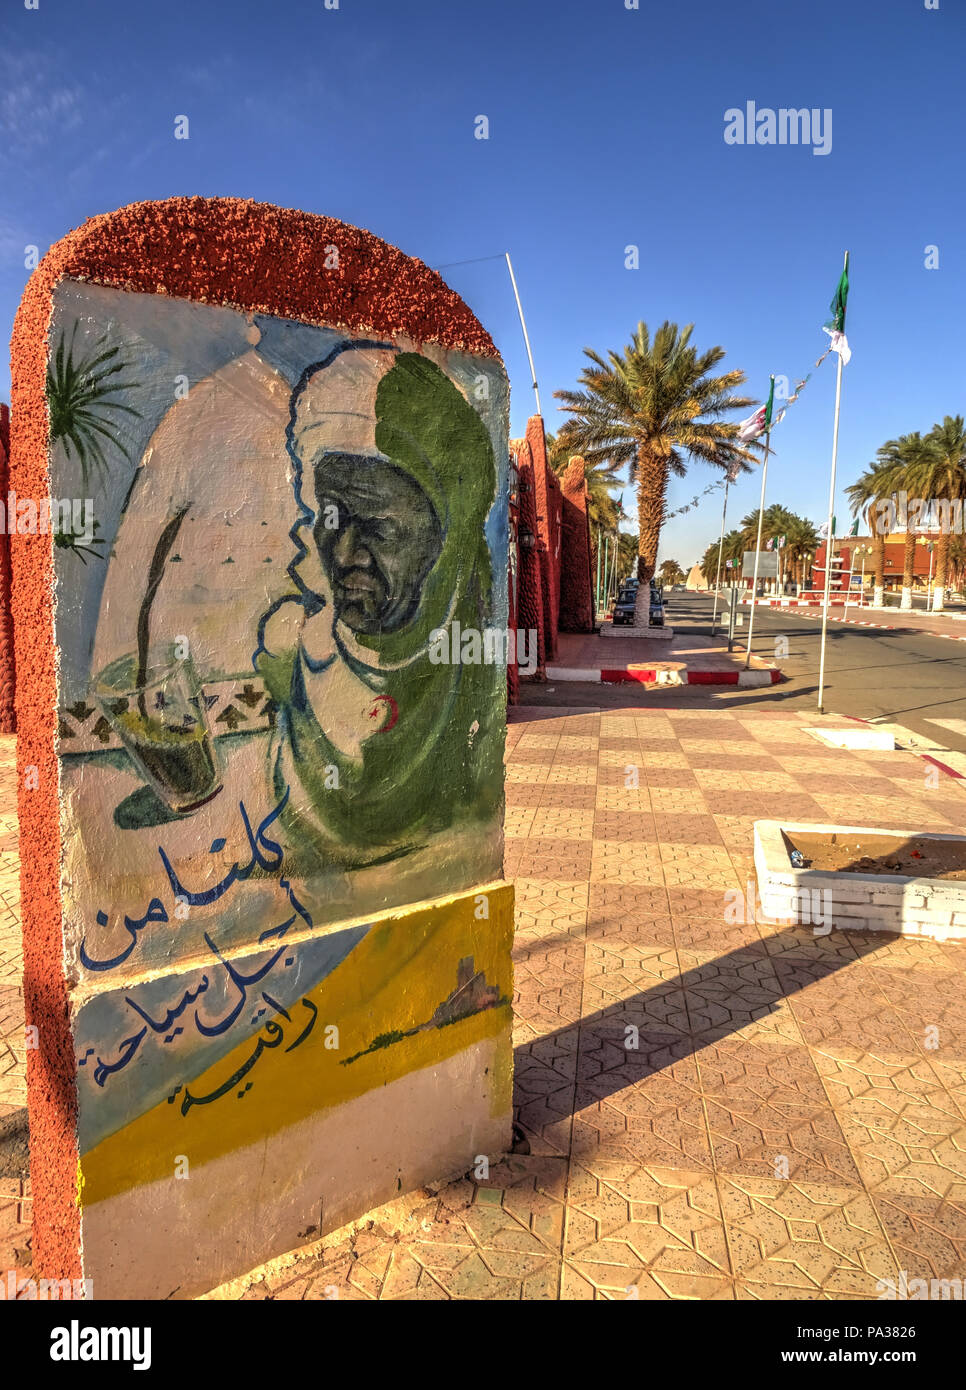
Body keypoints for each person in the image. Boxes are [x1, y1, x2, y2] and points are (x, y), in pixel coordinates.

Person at [253, 342, 503, 873]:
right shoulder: (294, 647)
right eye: (331, 517)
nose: (344, 554)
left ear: (442, 535)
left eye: (379, 526)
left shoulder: (468, 674)